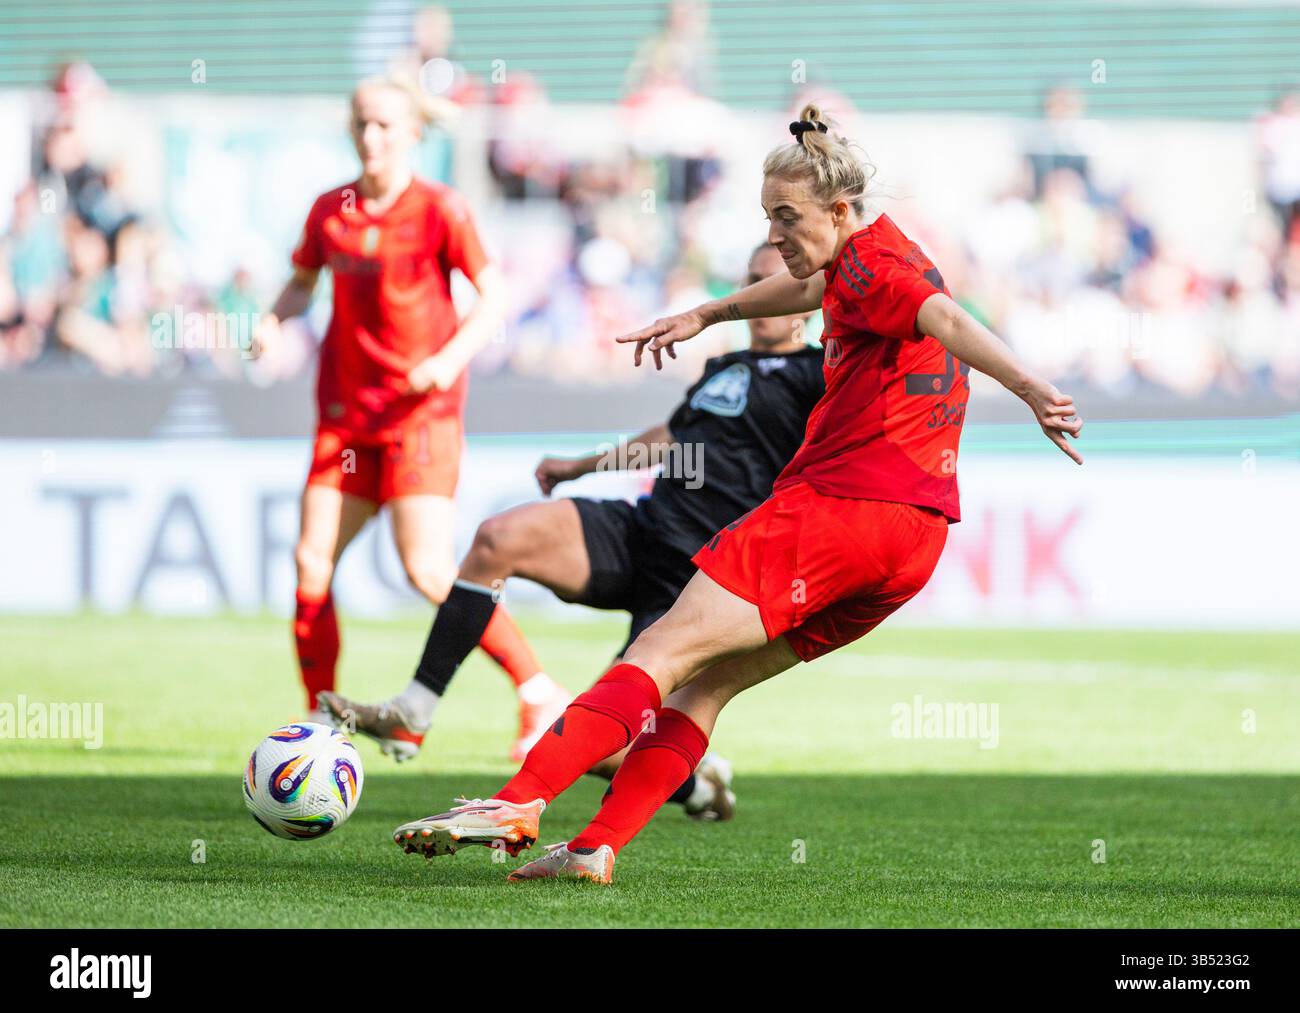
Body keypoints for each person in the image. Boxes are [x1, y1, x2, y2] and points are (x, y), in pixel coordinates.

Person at [388, 105, 1084, 883]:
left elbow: (947, 316)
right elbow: (810, 288)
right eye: (767, 219)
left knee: (659, 651)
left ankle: (517, 800)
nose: (776, 237)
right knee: (707, 688)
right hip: (914, 541)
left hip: (840, 509)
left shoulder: (884, 268)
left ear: (841, 210)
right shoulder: (861, 264)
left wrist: (1030, 387)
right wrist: (707, 313)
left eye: (786, 219)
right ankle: (594, 848)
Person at [320, 240, 824, 818]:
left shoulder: (818, 377)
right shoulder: (724, 367)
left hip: (699, 577)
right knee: (497, 539)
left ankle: (701, 787)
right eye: (750, 280)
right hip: (643, 531)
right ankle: (414, 709)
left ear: (803, 299)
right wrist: (581, 466)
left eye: (774, 282)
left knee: (598, 742)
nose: (757, 295)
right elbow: (668, 439)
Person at [252, 76, 561, 748]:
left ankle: (538, 692)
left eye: (385, 126)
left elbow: (494, 299)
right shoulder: (329, 210)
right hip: (345, 420)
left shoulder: (439, 209)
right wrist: (274, 321)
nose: (371, 137)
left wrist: (448, 361)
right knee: (311, 564)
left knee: (427, 570)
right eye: (361, 123)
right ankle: (320, 719)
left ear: (412, 133)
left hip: (421, 418)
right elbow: (302, 284)